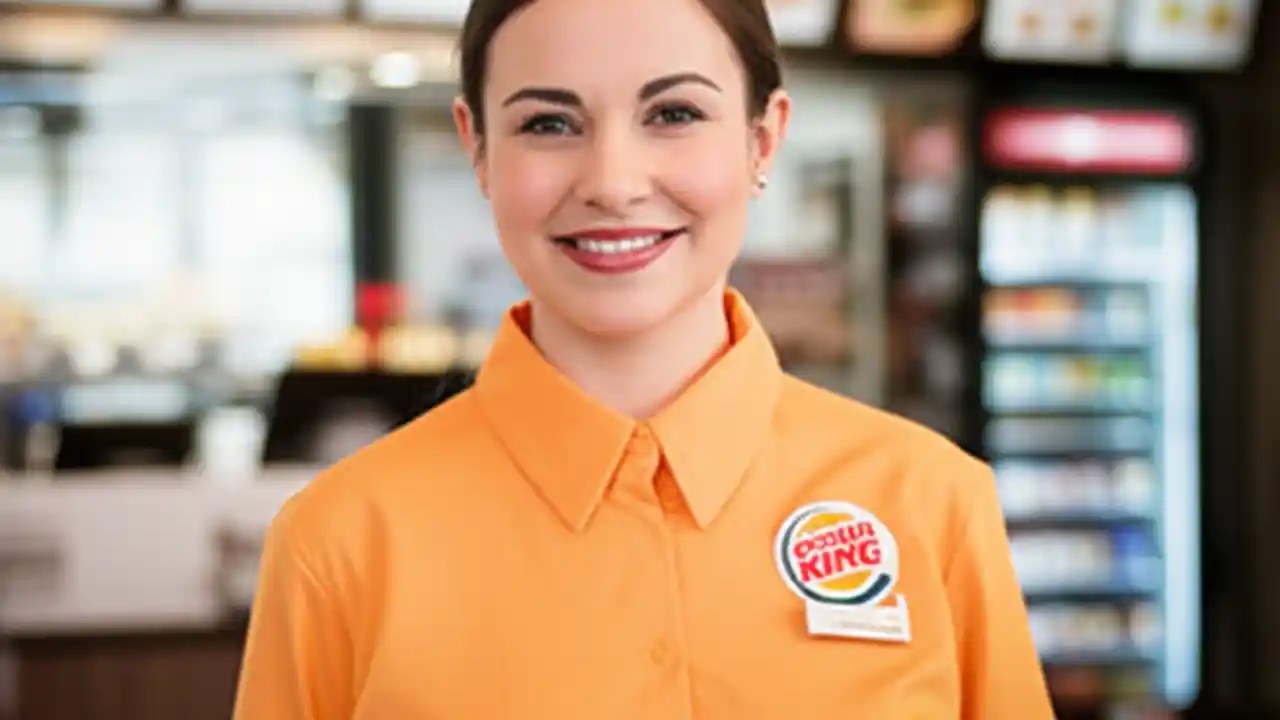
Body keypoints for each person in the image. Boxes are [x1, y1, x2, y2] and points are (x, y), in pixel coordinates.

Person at [233, 0, 1054, 717]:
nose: (614, 183)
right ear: (477, 147)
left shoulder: (932, 503)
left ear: (763, 140)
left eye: (673, 115)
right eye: (548, 124)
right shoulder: (336, 543)